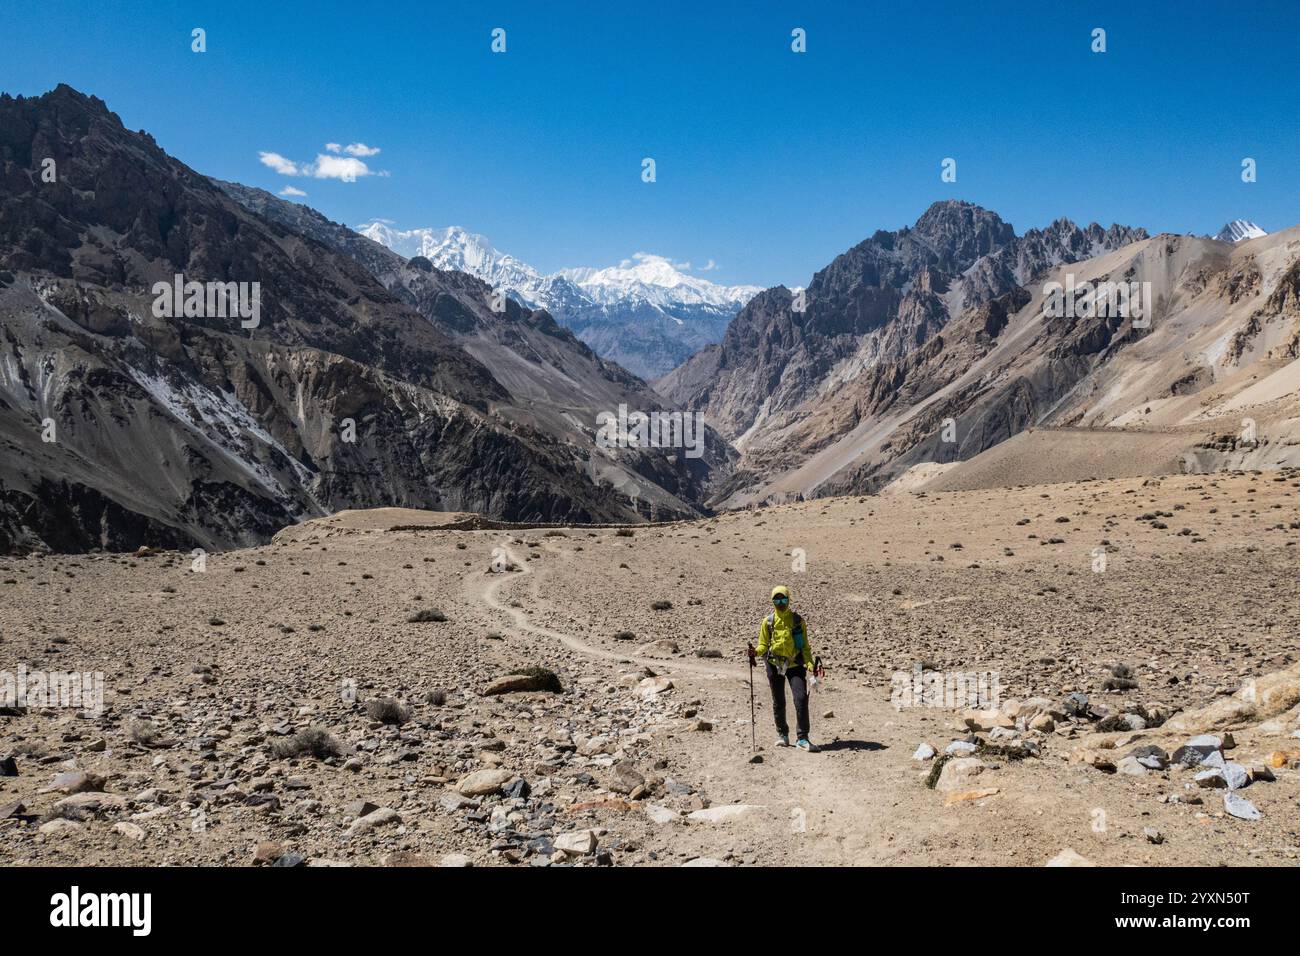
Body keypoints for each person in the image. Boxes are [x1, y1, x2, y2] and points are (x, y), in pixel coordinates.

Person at [748, 585, 818, 751]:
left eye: (784, 599)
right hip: (774, 664)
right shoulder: (768, 622)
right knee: (778, 701)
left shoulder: (798, 621)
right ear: (772, 601)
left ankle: (802, 738)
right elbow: (763, 645)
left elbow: (805, 647)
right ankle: (783, 735)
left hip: (795, 665)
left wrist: (810, 664)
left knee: (800, 699)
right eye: (777, 599)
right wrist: (755, 652)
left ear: (789, 599)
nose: (780, 603)